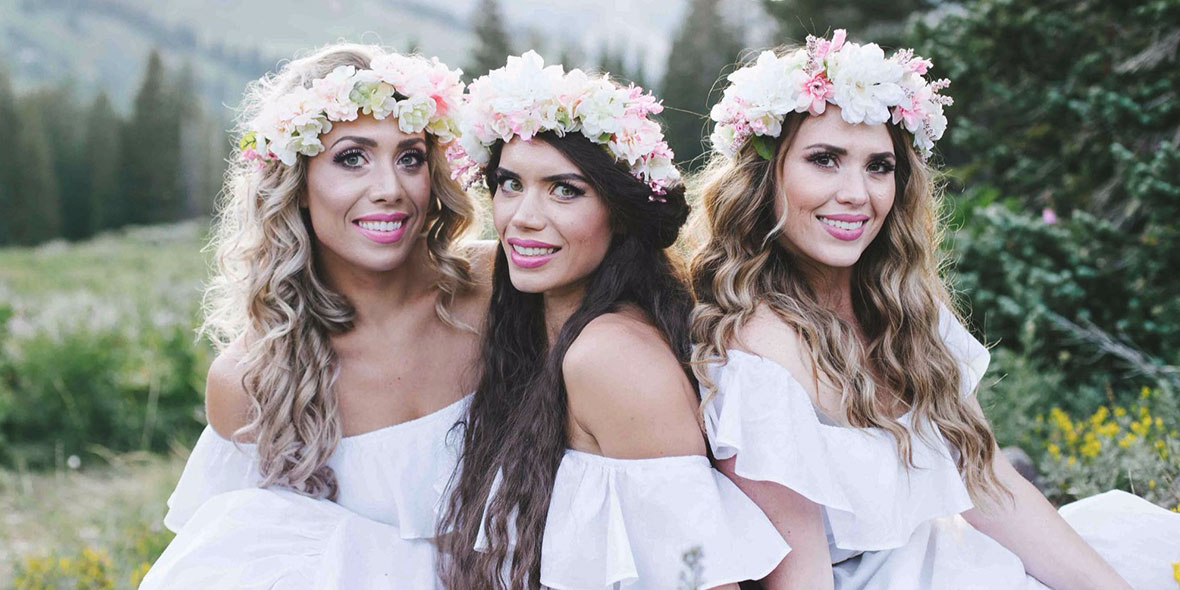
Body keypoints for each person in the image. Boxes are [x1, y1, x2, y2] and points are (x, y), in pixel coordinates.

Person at [690, 30, 1180, 590]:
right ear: (762, 175)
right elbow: (797, 577)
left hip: (966, 562)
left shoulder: (903, 312)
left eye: (879, 166)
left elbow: (992, 487)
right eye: (824, 160)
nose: (858, 193)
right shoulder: (756, 353)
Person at [141, 43, 491, 589]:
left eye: (410, 157)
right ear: (297, 181)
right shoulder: (252, 380)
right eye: (351, 157)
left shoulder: (501, 288)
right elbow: (246, 560)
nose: (390, 190)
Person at [437, 51, 789, 590]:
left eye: (565, 190)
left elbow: (698, 576)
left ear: (620, 212)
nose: (523, 218)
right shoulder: (529, 313)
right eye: (510, 184)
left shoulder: (611, 355)